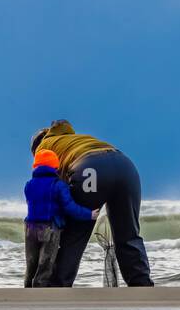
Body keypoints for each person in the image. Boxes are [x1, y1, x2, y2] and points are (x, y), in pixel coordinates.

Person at [29, 120, 153, 287]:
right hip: (125, 166)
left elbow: (48, 188)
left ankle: (58, 286)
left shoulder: (44, 147)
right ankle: (141, 284)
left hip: (90, 168)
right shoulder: (78, 139)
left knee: (75, 233)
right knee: (128, 234)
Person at [23, 148, 98, 287]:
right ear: (55, 166)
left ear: (36, 166)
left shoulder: (28, 185)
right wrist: (90, 214)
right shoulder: (59, 185)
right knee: (46, 263)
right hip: (50, 226)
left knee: (31, 262)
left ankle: (27, 288)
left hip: (30, 227)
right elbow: (70, 208)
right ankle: (41, 291)